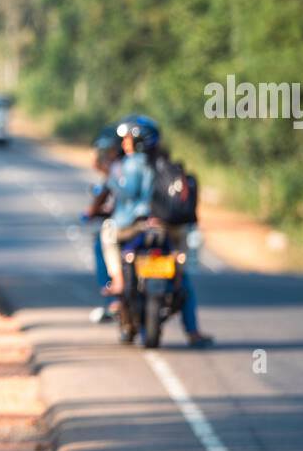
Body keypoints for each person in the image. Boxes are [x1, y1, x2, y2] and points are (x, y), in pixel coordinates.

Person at [100, 115, 214, 347]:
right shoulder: (167, 164)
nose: (124, 143)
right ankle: (192, 331)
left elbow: (126, 193)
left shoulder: (128, 166)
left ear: (139, 141)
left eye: (128, 139)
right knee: (182, 277)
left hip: (131, 226)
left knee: (106, 234)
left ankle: (118, 279)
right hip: (168, 228)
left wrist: (111, 178)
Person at [84, 126, 122, 323]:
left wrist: (92, 211)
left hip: (126, 225)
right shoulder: (151, 163)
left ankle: (114, 298)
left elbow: (104, 194)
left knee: (102, 245)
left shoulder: (119, 169)